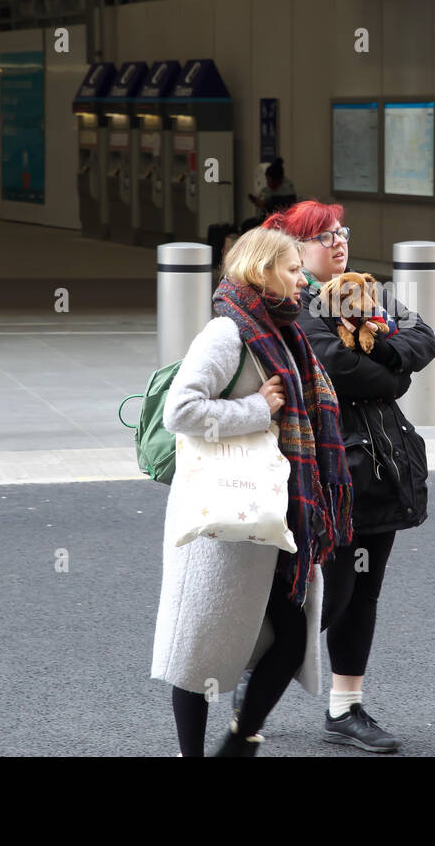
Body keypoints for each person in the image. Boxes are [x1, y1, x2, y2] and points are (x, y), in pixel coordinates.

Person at [151, 227, 354, 757]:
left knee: (288, 639)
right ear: (263, 271)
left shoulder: (285, 331)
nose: (302, 278)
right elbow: (181, 411)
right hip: (225, 511)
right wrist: (258, 410)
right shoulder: (227, 333)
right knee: (199, 649)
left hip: (272, 509)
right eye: (291, 269)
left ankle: (240, 739)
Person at [260, 201, 435, 751]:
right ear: (293, 250)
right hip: (326, 470)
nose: (337, 243)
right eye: (322, 237)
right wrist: (392, 375)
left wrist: (384, 349)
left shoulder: (369, 290)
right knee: (330, 593)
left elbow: (425, 339)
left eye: (341, 233)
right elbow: (335, 368)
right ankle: (255, 676)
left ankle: (346, 708)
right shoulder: (293, 305)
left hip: (381, 465)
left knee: (365, 591)